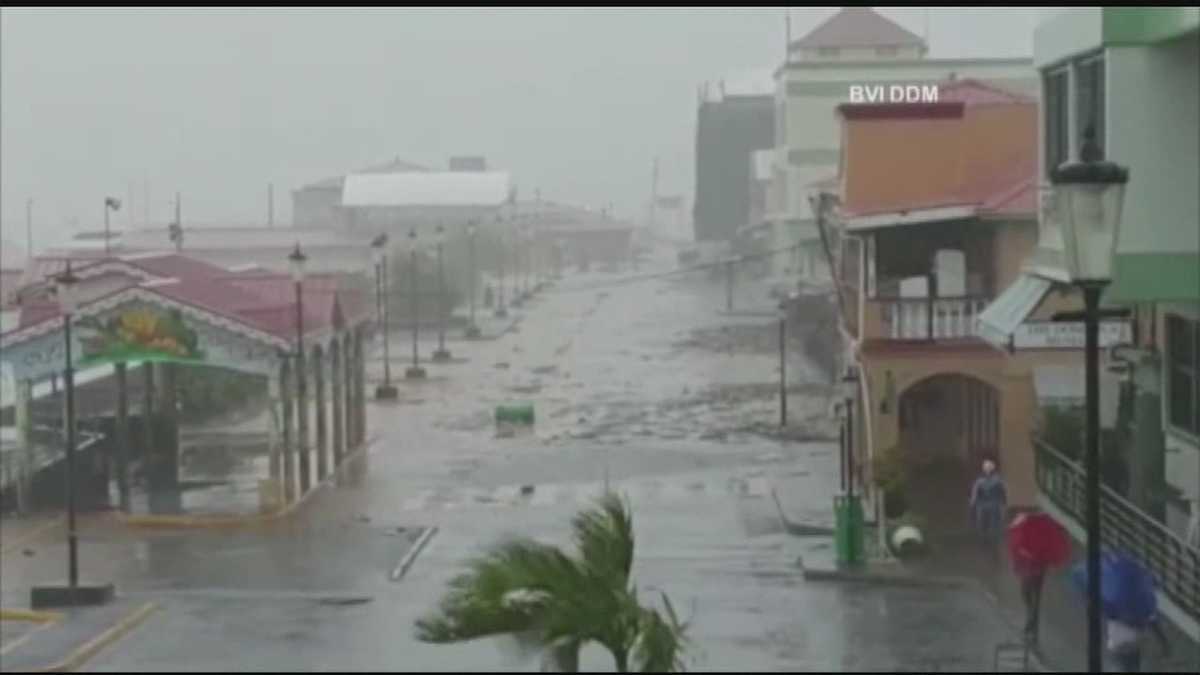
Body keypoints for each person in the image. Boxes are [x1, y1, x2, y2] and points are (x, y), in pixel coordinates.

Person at [969, 459, 1008, 547]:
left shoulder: (997, 480)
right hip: (983, 505)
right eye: (986, 468)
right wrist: (973, 504)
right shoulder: (980, 480)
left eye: (988, 468)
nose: (987, 469)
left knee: (992, 525)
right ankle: (985, 541)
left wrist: (1003, 506)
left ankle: (992, 541)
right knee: (983, 524)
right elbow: (975, 493)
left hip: (992, 505)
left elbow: (1002, 493)